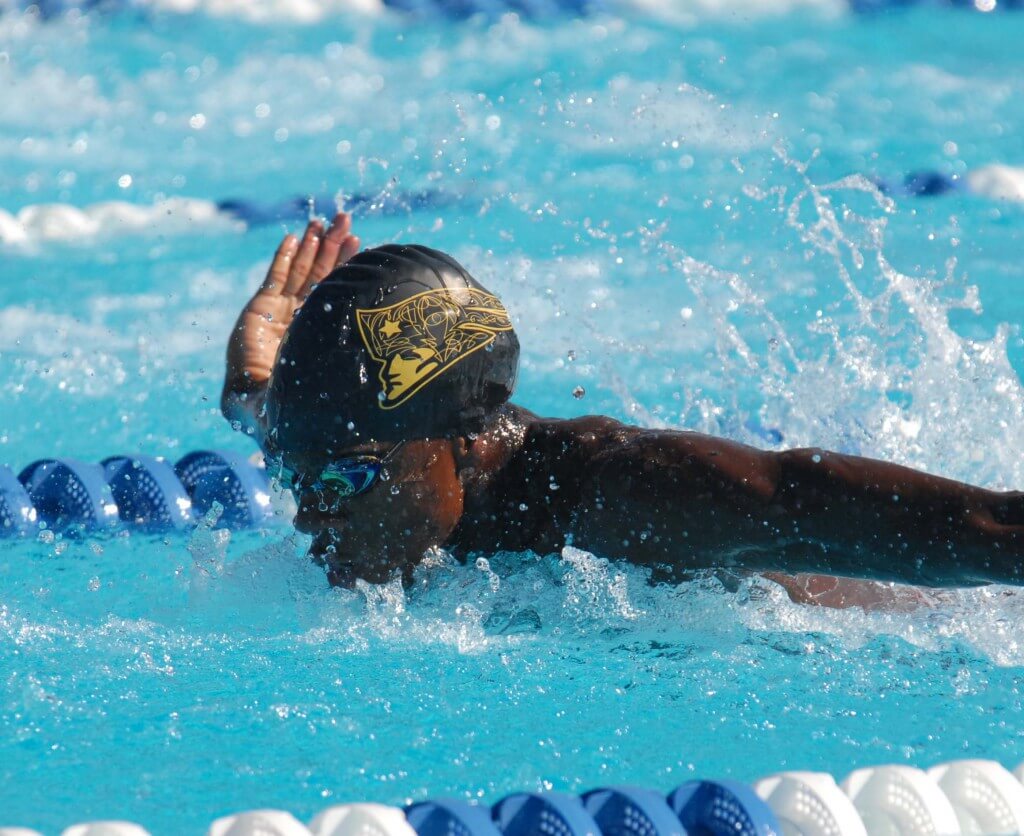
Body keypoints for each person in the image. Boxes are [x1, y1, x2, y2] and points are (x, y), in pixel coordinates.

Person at [221, 212, 1024, 609]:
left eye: (346, 481)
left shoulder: (625, 496)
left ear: (460, 439)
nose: (308, 514)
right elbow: (272, 418)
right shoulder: (349, 439)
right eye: (293, 474)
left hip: (889, 618)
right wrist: (252, 375)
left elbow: (797, 498)